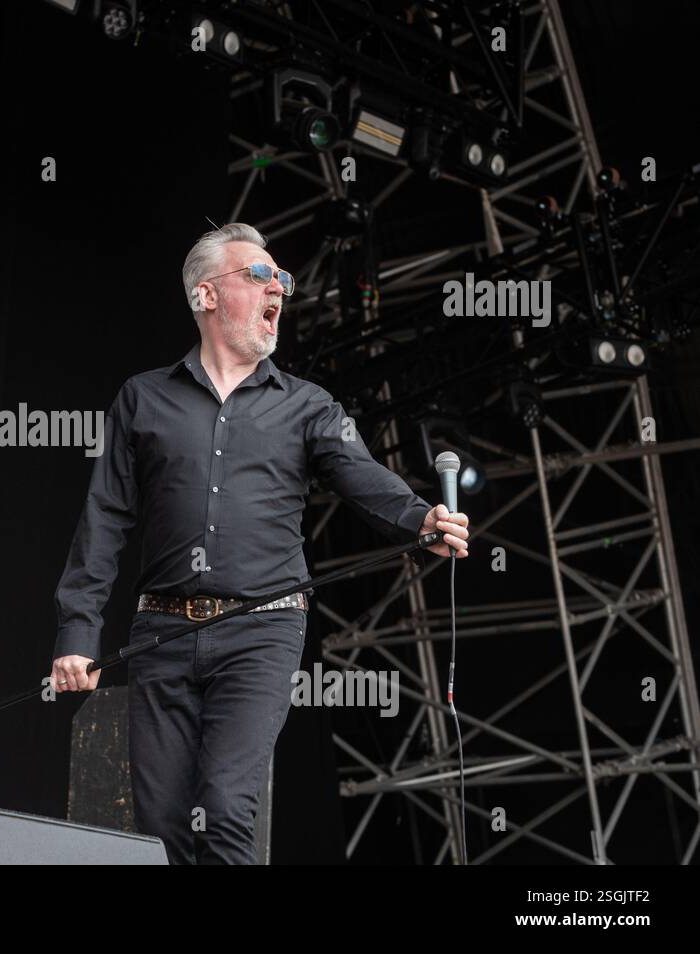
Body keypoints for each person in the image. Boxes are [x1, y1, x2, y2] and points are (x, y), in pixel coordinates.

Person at [49, 223, 470, 864]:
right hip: (160, 632)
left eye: (283, 280)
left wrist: (422, 521)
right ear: (206, 296)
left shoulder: (307, 406)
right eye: (260, 275)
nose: (279, 288)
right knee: (158, 823)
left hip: (262, 631)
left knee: (223, 809)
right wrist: (78, 634)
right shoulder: (143, 398)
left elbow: (364, 479)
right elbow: (103, 519)